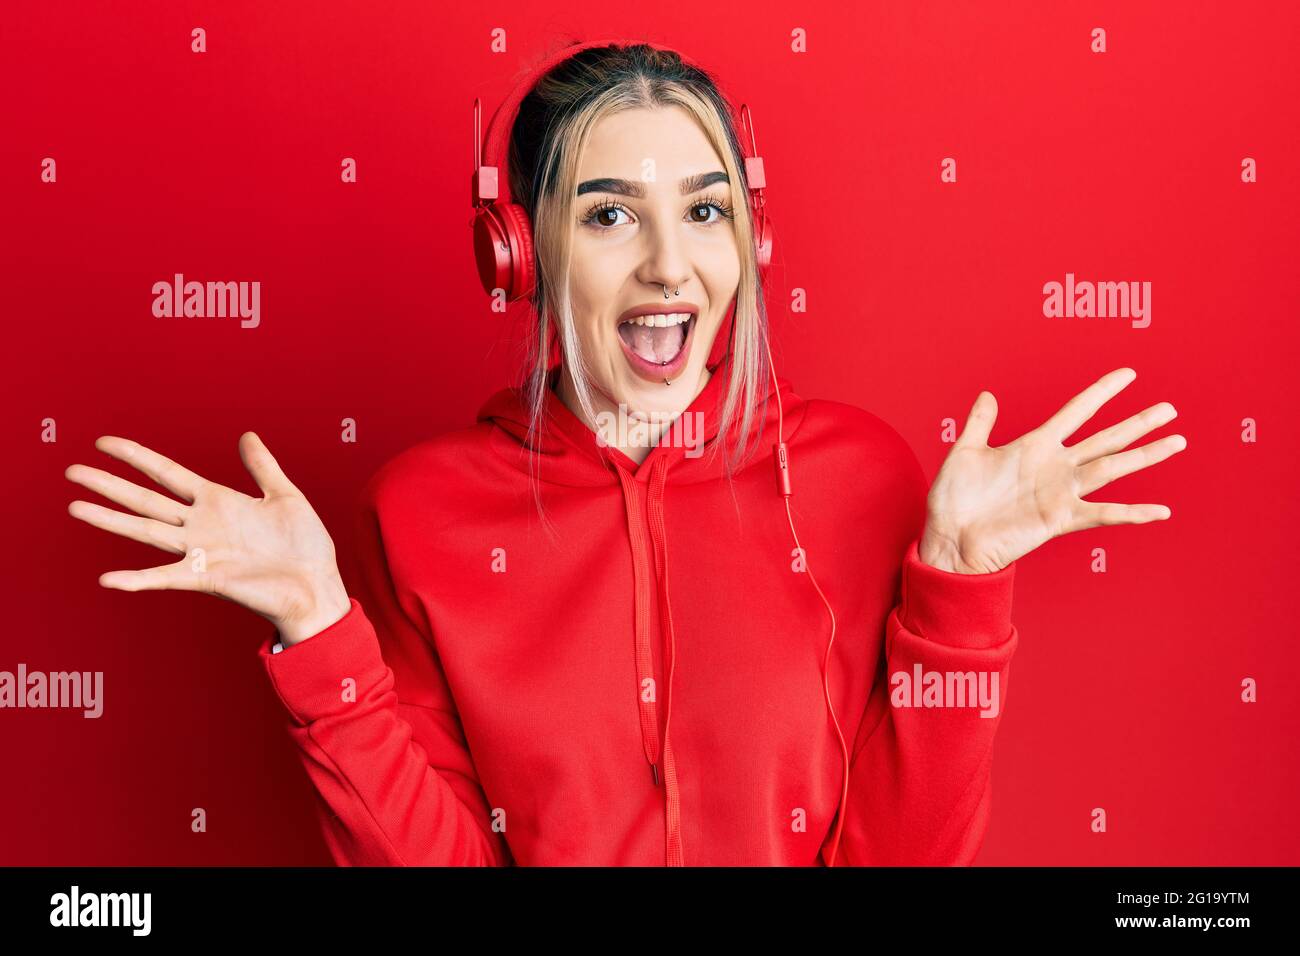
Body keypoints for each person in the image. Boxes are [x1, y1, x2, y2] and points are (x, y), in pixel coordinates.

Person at [64, 41, 1185, 866]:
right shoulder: (421, 511)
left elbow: (906, 856)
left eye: (704, 213)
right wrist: (319, 623)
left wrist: (959, 584)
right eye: (608, 216)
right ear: (514, 250)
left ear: (749, 239)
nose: (667, 266)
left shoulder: (862, 476)